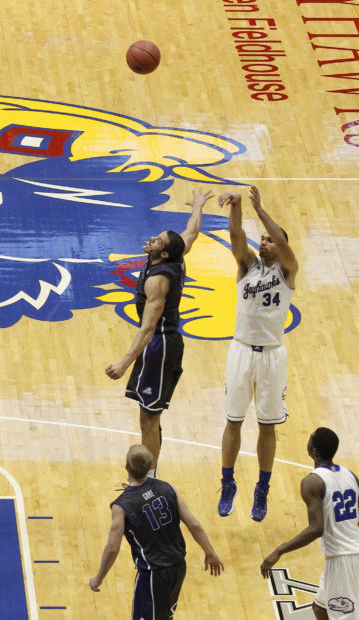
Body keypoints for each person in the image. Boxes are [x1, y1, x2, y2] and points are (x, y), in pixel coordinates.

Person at [105, 188, 212, 477]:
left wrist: (123, 364)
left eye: (158, 241)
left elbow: (148, 327)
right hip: (160, 344)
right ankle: (150, 475)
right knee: (148, 415)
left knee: (149, 418)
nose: (152, 239)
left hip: (160, 345)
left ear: (163, 254)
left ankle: (148, 481)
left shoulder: (158, 282)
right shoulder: (176, 255)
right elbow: (191, 233)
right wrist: (197, 207)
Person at [216, 185, 297, 521]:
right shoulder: (247, 265)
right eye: (260, 238)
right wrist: (237, 206)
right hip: (241, 351)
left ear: (280, 245)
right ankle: (228, 482)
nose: (263, 242)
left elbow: (283, 244)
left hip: (272, 357)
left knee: (267, 427)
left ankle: (261, 489)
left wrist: (261, 210)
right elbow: (236, 236)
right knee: (233, 421)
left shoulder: (288, 271)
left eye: (268, 239)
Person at [90, 445, 224, 618]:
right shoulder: (167, 488)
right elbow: (194, 524)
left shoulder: (121, 505)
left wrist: (99, 578)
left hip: (153, 574)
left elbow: (112, 548)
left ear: (126, 466)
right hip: (178, 566)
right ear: (149, 466)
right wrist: (209, 552)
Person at [261, 428, 359, 620]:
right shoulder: (351, 475)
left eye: (309, 440)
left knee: (345, 617)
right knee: (320, 609)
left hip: (343, 559)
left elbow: (316, 529)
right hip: (348, 553)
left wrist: (279, 550)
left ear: (314, 451)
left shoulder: (312, 482)